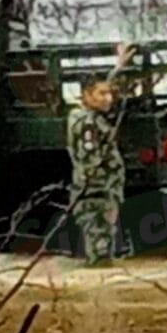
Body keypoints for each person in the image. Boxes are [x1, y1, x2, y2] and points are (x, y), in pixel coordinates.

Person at [67, 43, 137, 265]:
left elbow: (104, 86)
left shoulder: (90, 116)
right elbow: (91, 163)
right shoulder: (87, 123)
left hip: (103, 193)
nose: (108, 98)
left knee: (104, 245)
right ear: (86, 96)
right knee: (100, 253)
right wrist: (104, 194)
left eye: (109, 94)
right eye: (101, 94)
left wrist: (118, 66)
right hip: (96, 195)